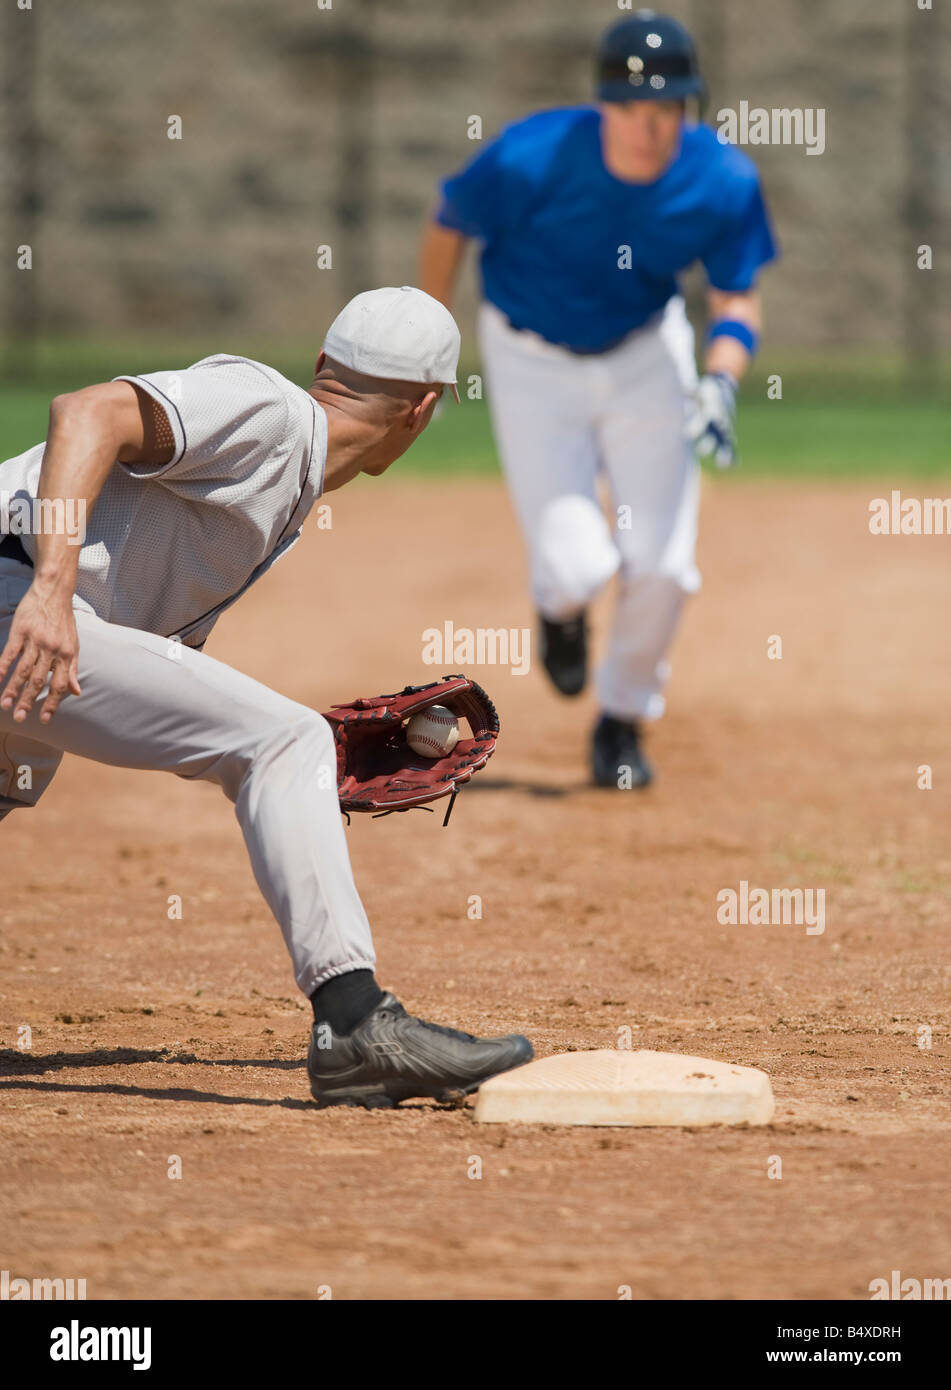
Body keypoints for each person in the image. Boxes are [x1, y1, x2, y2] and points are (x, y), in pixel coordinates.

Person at [0, 284, 533, 1108]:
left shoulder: (283, 485)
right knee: (283, 741)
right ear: (423, 409)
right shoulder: (272, 412)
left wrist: (304, 782)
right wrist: (51, 589)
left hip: (30, 626)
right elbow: (86, 412)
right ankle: (354, 1023)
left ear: (328, 365)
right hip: (18, 602)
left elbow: (171, 688)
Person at [419, 11, 778, 788]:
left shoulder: (719, 180)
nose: (650, 126)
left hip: (646, 354)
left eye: (668, 108)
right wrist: (430, 335)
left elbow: (735, 299)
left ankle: (621, 720)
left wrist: (719, 380)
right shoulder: (531, 156)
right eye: (632, 107)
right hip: (529, 357)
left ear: (689, 107)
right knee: (576, 564)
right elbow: (450, 221)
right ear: (603, 104)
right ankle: (561, 610)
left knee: (663, 564)